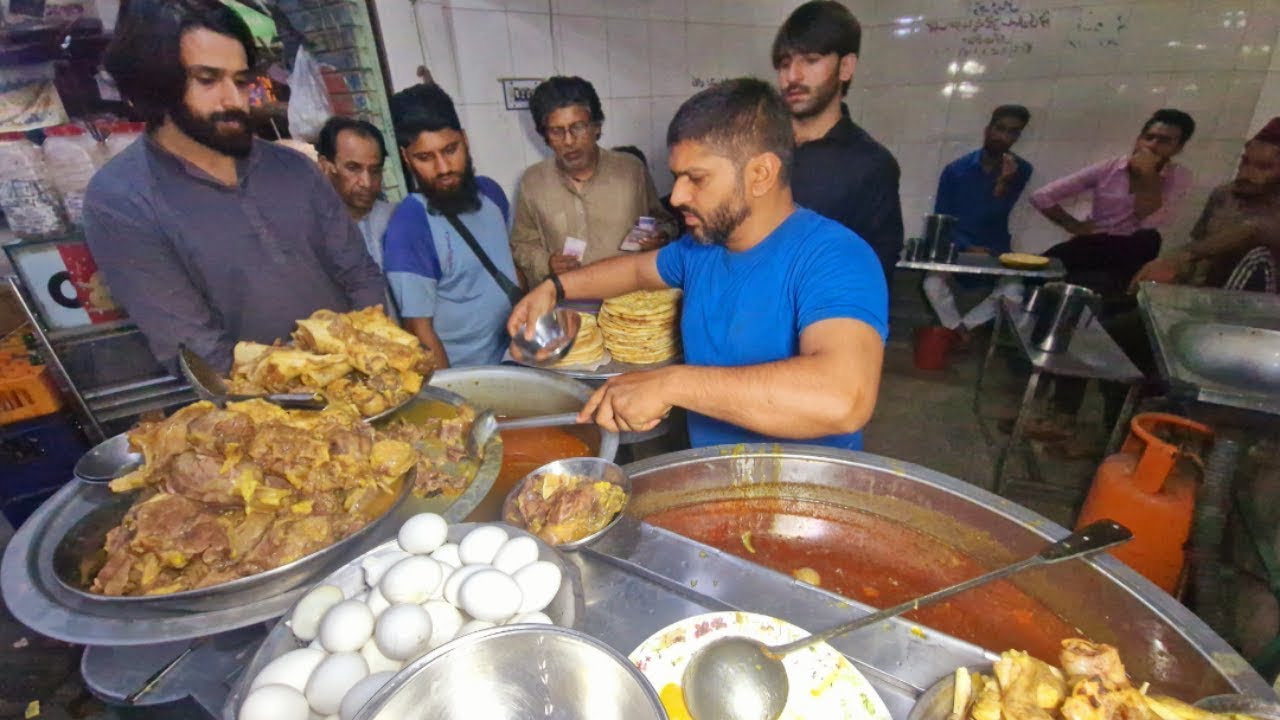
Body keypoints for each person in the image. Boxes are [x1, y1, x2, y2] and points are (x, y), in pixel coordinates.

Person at [507, 78, 888, 449]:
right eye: (678, 178)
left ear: (761, 174)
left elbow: (843, 399)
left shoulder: (834, 257)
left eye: (696, 178)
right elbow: (635, 270)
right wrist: (554, 287)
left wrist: (671, 383)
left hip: (800, 482)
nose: (677, 197)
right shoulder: (702, 249)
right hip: (711, 470)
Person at [82, 0, 385, 374]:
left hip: (362, 383)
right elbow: (198, 352)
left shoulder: (293, 169)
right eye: (208, 80)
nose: (235, 100)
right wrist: (318, 381)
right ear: (156, 83)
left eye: (241, 81)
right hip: (257, 405)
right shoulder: (121, 201)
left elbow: (360, 275)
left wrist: (367, 361)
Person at [1039, 118, 1280, 451]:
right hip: (1192, 306)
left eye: (1263, 167)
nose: (1248, 172)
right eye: (1245, 161)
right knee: (1091, 326)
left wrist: (1180, 258)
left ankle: (1125, 444)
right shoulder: (1225, 195)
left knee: (1132, 358)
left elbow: (1253, 230)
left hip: (1243, 331)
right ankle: (1073, 422)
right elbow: (1200, 243)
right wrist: (1166, 285)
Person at [382, 83, 517, 368]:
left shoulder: (492, 195)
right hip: (469, 376)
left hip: (515, 355)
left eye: (450, 149)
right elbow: (419, 331)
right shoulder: (410, 227)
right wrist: (453, 391)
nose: (443, 168)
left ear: (465, 140)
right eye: (425, 157)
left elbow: (505, 264)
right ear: (406, 158)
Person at [773, 0, 903, 289]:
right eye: (784, 63)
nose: (792, 76)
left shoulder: (871, 165)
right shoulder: (758, 145)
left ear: (846, 67)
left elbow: (874, 273)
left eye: (810, 60)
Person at [510, 76, 676, 287]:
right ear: (545, 136)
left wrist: (660, 236)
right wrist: (547, 263)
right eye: (557, 131)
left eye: (578, 127)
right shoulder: (533, 181)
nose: (569, 141)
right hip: (568, 299)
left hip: (630, 297)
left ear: (596, 126)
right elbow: (521, 244)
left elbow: (664, 222)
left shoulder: (631, 170)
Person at [1029, 109, 1195, 297]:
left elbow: (1148, 219)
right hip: (1095, 242)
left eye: (1164, 141)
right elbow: (1041, 196)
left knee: (1145, 240)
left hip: (1135, 247)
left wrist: (1147, 175)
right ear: (1139, 139)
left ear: (1178, 148)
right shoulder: (1110, 168)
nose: (1152, 145)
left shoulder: (1178, 177)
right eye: (1149, 137)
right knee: (1035, 273)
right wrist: (1072, 224)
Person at [923, 105, 1034, 345]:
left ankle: (964, 327)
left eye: (1012, 132)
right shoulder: (956, 170)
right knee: (932, 284)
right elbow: (943, 217)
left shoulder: (1021, 170)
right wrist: (966, 246)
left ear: (1018, 136)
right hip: (957, 246)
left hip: (995, 249)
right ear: (988, 129)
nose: (1003, 137)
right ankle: (957, 329)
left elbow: (997, 212)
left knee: (1014, 292)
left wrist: (1004, 182)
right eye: (1000, 129)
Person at [316, 116, 394, 268]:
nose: (366, 182)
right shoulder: (310, 229)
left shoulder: (395, 220)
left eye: (375, 170)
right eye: (353, 168)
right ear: (325, 165)